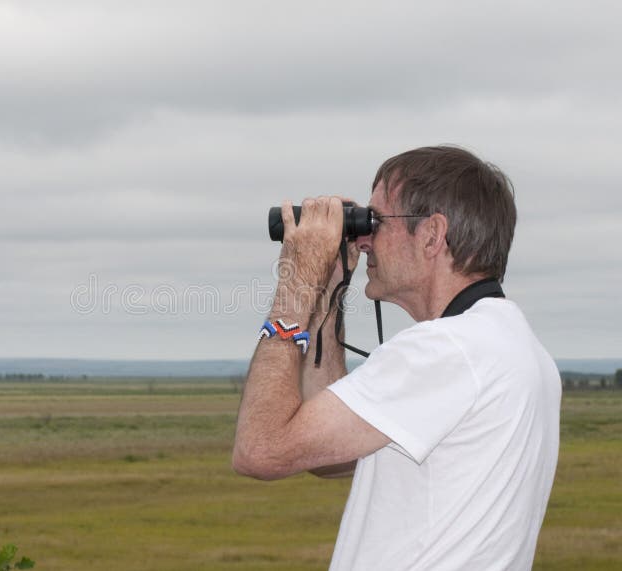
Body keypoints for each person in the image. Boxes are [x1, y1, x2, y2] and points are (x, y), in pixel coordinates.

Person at [232, 146, 561, 570]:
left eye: (376, 221)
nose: (363, 239)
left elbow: (260, 450)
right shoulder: (510, 345)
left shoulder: (444, 350)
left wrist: (296, 284)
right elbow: (330, 455)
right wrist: (328, 291)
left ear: (432, 234)